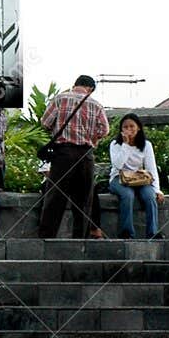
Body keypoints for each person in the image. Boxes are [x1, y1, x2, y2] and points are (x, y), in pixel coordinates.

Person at [37, 74, 110, 240]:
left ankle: (47, 238)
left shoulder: (60, 98)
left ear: (75, 84)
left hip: (63, 154)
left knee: (55, 198)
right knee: (84, 200)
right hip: (86, 156)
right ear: (90, 89)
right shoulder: (96, 105)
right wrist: (91, 137)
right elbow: (104, 130)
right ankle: (80, 241)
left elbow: (45, 122)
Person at [108, 113, 163, 240]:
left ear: (138, 127)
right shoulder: (115, 144)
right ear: (121, 129)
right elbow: (118, 165)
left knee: (150, 196)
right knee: (127, 195)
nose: (129, 129)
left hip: (139, 179)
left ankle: (153, 233)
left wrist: (157, 190)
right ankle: (127, 233)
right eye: (125, 127)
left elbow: (151, 168)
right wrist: (126, 145)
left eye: (132, 126)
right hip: (119, 178)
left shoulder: (146, 145)